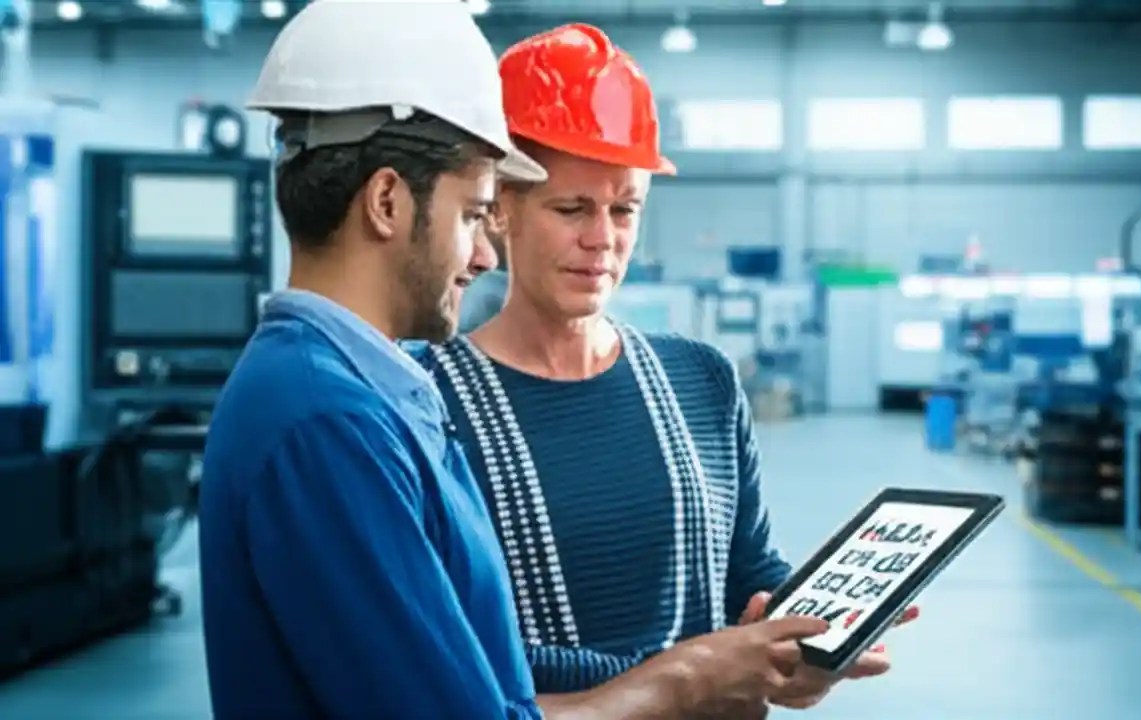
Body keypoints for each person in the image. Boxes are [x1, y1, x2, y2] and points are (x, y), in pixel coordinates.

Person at [199, 3, 826, 719]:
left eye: (625, 210)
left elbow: (474, 662)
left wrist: (769, 646)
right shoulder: (331, 422)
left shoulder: (380, 395)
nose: (483, 253)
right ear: (386, 202)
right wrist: (693, 676)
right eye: (474, 211)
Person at [410, 22, 917, 713]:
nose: (602, 239)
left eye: (625, 208)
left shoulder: (702, 381)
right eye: (572, 208)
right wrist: (696, 673)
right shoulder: (426, 400)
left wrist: (803, 644)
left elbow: (750, 577)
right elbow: (446, 656)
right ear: (499, 206)